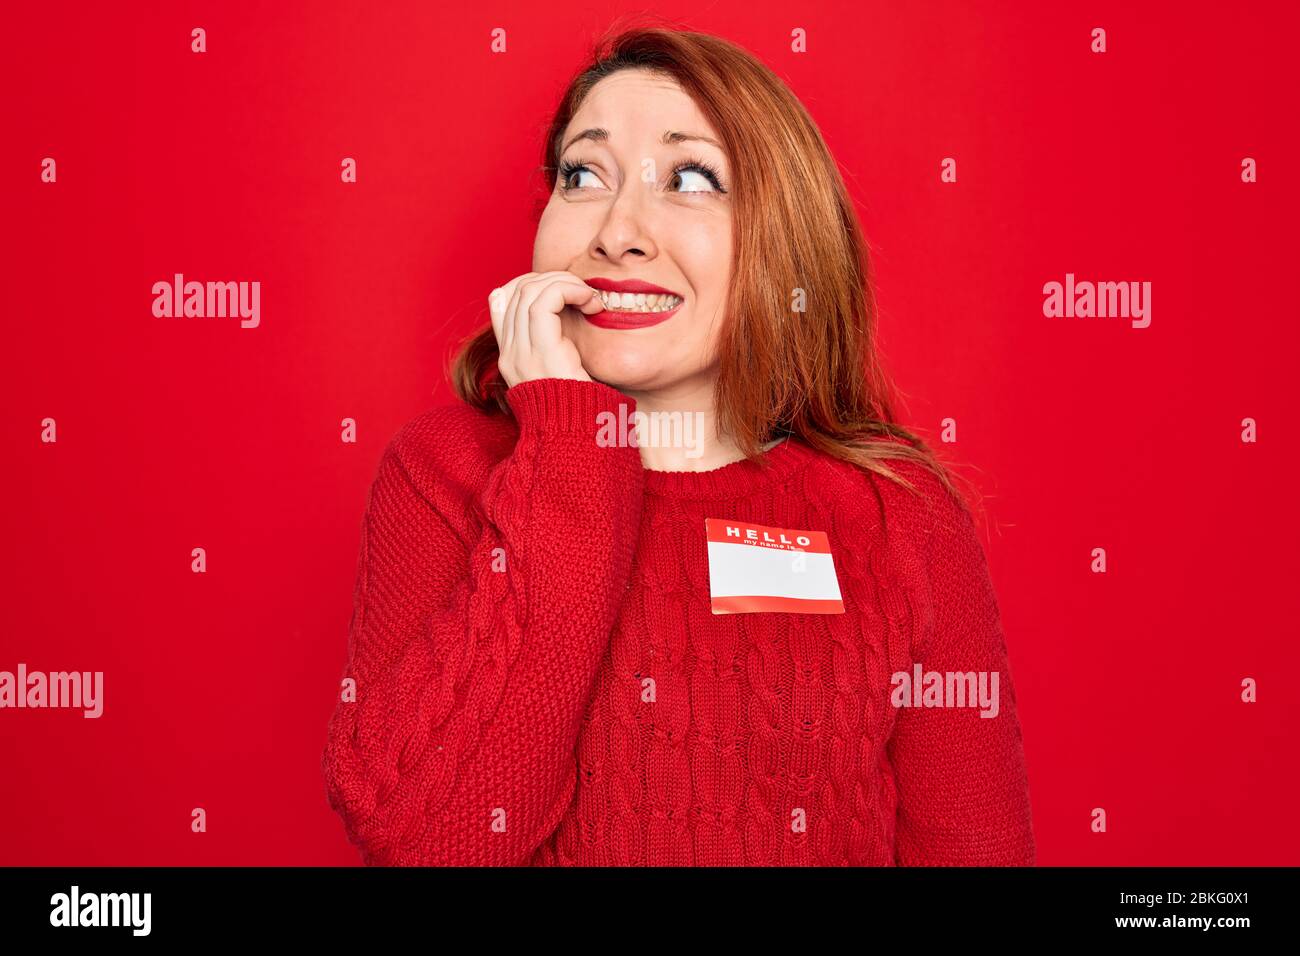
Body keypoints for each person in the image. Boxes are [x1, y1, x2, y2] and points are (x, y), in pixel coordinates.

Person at [322, 24, 1035, 866]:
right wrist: (572, 442)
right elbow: (426, 841)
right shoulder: (444, 472)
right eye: (583, 174)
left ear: (783, 238)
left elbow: (975, 847)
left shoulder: (896, 516)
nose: (618, 231)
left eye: (690, 177)